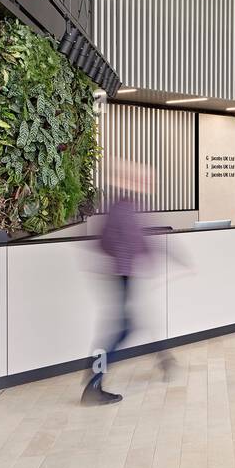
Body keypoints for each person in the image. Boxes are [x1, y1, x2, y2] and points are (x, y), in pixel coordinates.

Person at [84, 161, 151, 404]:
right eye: (143, 178)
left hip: (123, 274)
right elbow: (128, 242)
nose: (148, 183)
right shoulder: (123, 208)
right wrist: (132, 255)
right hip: (121, 275)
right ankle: (93, 380)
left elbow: (129, 242)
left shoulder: (125, 207)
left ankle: (94, 375)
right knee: (120, 329)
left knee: (123, 327)